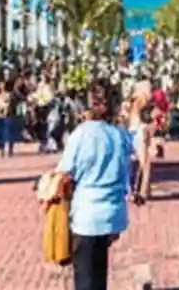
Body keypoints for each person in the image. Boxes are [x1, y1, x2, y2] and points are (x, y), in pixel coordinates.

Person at [54, 81, 134, 290]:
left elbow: (65, 173)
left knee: (85, 276)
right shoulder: (120, 134)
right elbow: (127, 173)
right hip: (113, 214)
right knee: (99, 271)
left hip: (87, 215)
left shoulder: (81, 134)